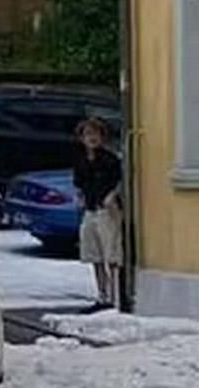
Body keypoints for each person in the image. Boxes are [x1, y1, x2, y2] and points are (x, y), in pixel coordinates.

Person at [72, 117, 124, 310]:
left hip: (106, 210)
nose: (92, 138)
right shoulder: (80, 160)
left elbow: (119, 181)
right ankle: (101, 295)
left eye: (95, 134)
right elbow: (79, 183)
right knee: (93, 254)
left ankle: (114, 297)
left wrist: (112, 196)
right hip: (90, 209)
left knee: (111, 253)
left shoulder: (110, 160)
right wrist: (81, 199)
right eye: (88, 135)